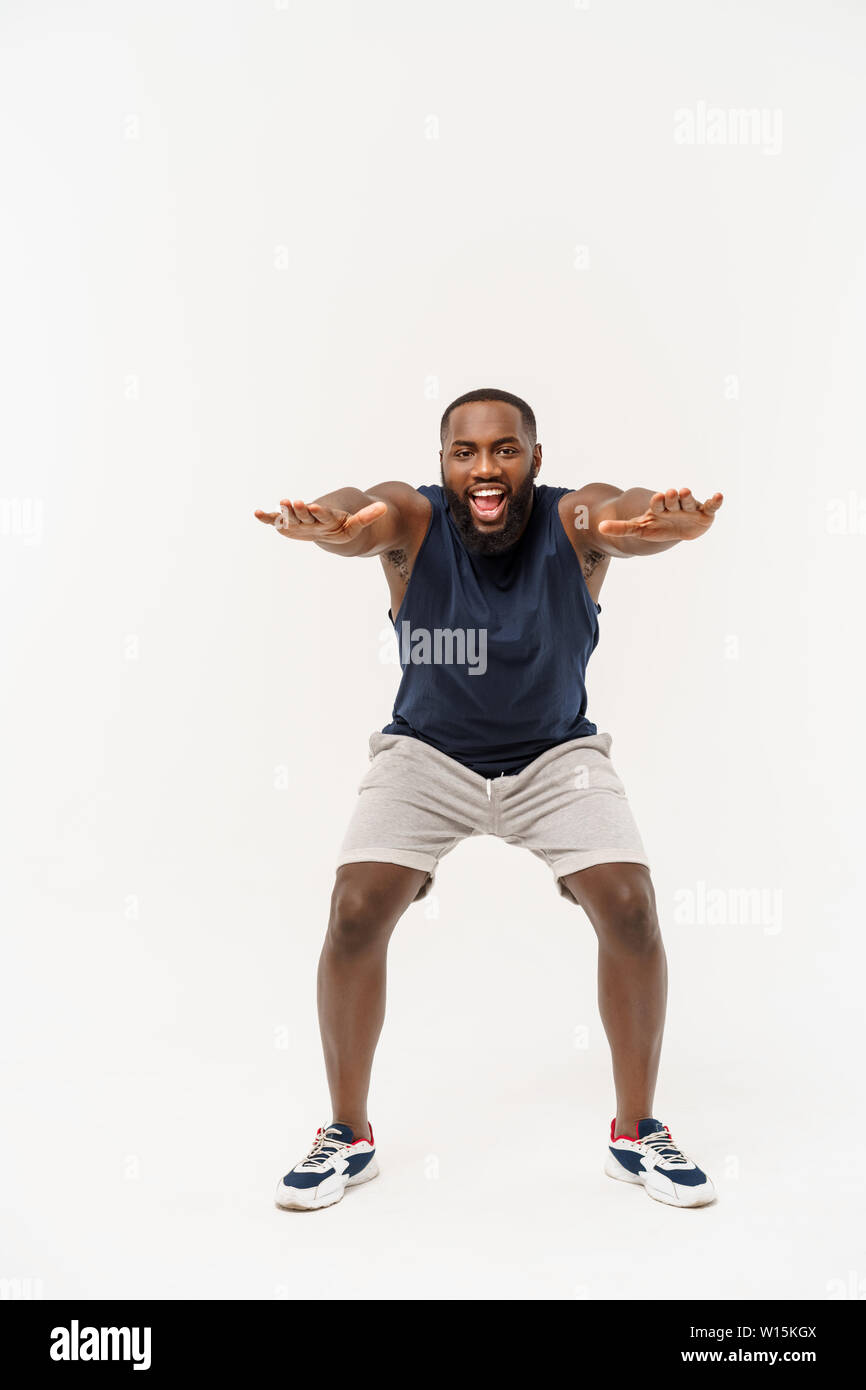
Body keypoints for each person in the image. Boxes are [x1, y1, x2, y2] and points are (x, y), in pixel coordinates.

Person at [255, 388, 724, 1212]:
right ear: (442, 463)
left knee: (629, 907)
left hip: (556, 757)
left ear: (534, 461)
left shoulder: (572, 521)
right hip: (427, 756)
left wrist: (661, 520)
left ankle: (637, 1132)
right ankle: (348, 1136)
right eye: (465, 452)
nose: (485, 467)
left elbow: (618, 512)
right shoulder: (414, 519)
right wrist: (330, 524)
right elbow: (362, 513)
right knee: (356, 909)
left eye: (505, 450)